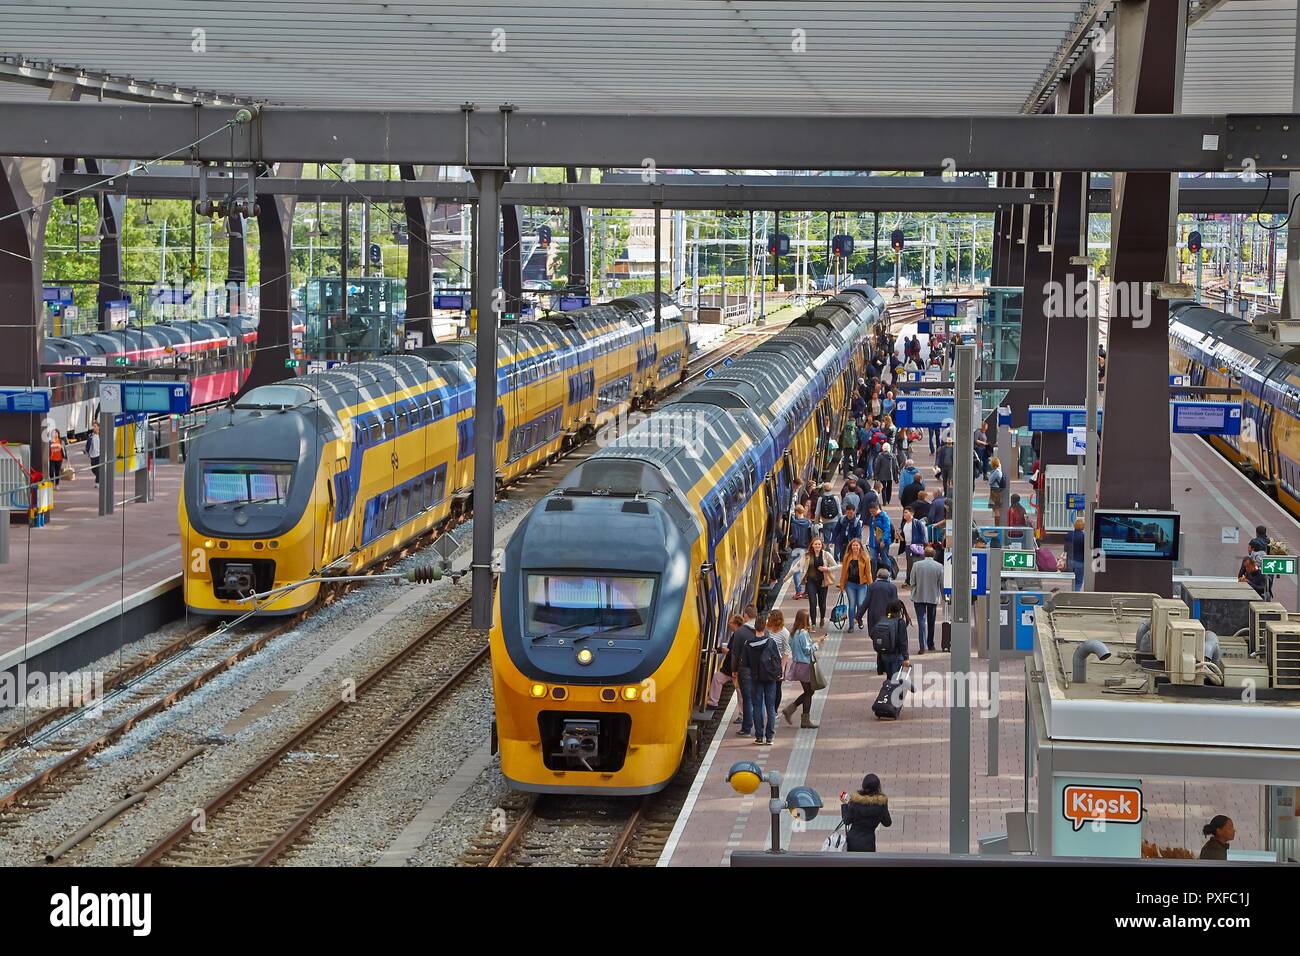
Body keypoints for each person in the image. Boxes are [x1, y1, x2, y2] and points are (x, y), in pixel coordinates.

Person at [741, 613, 782, 746]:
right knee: (770, 707)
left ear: (755, 628)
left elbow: (745, 663)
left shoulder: (748, 644)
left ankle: (759, 736)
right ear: (764, 627)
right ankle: (769, 736)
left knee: (757, 706)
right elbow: (777, 660)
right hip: (770, 678)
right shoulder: (771, 642)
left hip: (755, 678)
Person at [782, 609, 823, 728]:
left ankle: (790, 710)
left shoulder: (793, 634)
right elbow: (807, 650)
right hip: (805, 666)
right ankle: (804, 719)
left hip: (797, 665)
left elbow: (793, 646)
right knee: (809, 692)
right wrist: (817, 643)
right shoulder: (803, 633)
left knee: (808, 691)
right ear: (805, 620)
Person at [841, 773, 893, 852]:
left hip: (852, 841)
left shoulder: (855, 801)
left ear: (863, 785)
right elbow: (887, 823)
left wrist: (845, 805)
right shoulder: (880, 804)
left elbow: (846, 820)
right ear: (877, 787)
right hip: (868, 842)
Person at [909, 546, 943, 654]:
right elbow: (941, 584)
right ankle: (931, 644)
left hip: (918, 596)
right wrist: (944, 596)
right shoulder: (939, 566)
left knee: (921, 621)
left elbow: (912, 581)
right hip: (933, 597)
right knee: (931, 621)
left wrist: (914, 590)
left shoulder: (916, 565)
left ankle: (922, 645)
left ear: (924, 555)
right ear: (934, 555)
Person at [707, 614, 745, 708]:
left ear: (735, 624)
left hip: (735, 669)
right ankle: (713, 703)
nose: (728, 623)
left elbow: (736, 652)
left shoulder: (738, 635)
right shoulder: (738, 634)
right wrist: (720, 650)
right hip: (730, 668)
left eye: (730, 622)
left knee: (740, 691)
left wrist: (727, 652)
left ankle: (743, 714)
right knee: (718, 678)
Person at [731, 607, 758, 737]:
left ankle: (746, 728)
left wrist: (734, 670)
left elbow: (735, 654)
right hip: (761, 670)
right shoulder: (763, 630)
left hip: (745, 670)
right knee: (759, 699)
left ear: (746, 616)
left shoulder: (740, 632)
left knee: (747, 699)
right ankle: (760, 729)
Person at [801, 537, 837, 628]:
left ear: (822, 546)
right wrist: (787, 577)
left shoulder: (826, 555)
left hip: (822, 582)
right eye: (816, 544)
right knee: (812, 602)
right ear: (812, 545)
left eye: (819, 544)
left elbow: (836, 566)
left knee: (822, 603)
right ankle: (813, 623)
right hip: (810, 581)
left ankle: (822, 618)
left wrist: (827, 569)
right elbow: (796, 567)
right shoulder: (807, 555)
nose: (817, 545)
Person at [839, 538, 873, 633]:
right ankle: (851, 626)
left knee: (860, 604)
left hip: (862, 585)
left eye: (857, 545)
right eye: (853, 545)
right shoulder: (847, 557)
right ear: (851, 546)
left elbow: (868, 573)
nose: (855, 547)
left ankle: (859, 619)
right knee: (852, 605)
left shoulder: (865, 557)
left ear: (860, 547)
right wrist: (841, 584)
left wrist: (871, 586)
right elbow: (843, 572)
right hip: (850, 584)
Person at [874, 598, 911, 677]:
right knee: (896, 679)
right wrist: (906, 657)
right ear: (900, 610)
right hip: (896, 655)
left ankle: (888, 688)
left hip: (884, 655)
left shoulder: (882, 620)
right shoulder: (900, 622)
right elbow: (903, 642)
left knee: (889, 677)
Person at [865, 565, 899, 638]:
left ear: (877, 576)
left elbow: (866, 602)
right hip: (888, 615)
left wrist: (858, 616)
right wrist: (897, 617)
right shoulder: (892, 587)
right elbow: (895, 603)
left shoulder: (872, 586)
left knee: (875, 635)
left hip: (874, 616)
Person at [788, 504, 814, 598]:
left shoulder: (795, 523)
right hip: (806, 548)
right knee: (806, 570)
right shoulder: (808, 522)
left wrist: (789, 539)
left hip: (797, 548)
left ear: (796, 512)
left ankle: (798, 591)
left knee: (796, 570)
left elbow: (794, 537)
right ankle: (807, 591)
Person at [897, 505, 927, 579]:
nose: (904, 514)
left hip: (916, 546)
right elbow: (903, 539)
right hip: (907, 547)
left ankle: (916, 579)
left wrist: (921, 546)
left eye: (906, 512)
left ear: (912, 513)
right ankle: (908, 580)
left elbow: (923, 535)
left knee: (915, 563)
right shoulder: (904, 524)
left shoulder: (917, 523)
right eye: (904, 512)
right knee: (909, 564)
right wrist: (898, 535)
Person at [864, 501, 894, 575]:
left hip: (883, 543)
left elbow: (887, 530)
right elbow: (871, 530)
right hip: (873, 542)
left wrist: (883, 540)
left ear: (877, 508)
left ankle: (889, 574)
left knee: (885, 559)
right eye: (871, 512)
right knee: (873, 559)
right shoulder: (872, 517)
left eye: (873, 511)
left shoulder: (884, 517)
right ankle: (873, 576)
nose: (872, 513)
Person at [1064, 516, 1088, 591]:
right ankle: (1075, 595)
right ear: (1083, 526)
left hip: (1070, 561)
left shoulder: (1069, 534)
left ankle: (1073, 592)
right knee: (1079, 581)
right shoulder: (1084, 536)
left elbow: (1066, 549)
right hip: (1080, 562)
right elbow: (1086, 550)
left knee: (1073, 579)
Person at [874, 441, 899, 506]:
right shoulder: (893, 456)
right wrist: (896, 476)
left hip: (882, 474)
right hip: (890, 474)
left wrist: (875, 475)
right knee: (889, 487)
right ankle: (888, 499)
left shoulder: (880, 456)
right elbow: (895, 466)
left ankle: (884, 501)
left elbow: (877, 466)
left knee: (883, 488)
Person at [987, 456, 1007, 527]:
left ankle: (997, 526)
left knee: (996, 510)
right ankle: (996, 525)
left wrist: (990, 475)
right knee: (996, 509)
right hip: (997, 491)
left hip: (995, 491)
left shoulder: (996, 472)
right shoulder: (998, 470)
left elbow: (990, 481)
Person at [86, 421, 101, 486]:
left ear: (98, 427)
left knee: (97, 469)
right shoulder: (91, 435)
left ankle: (97, 482)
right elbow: (88, 444)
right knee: (93, 469)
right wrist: (86, 450)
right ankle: (100, 477)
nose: (93, 428)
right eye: (93, 426)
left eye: (95, 426)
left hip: (99, 454)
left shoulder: (101, 435)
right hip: (92, 455)